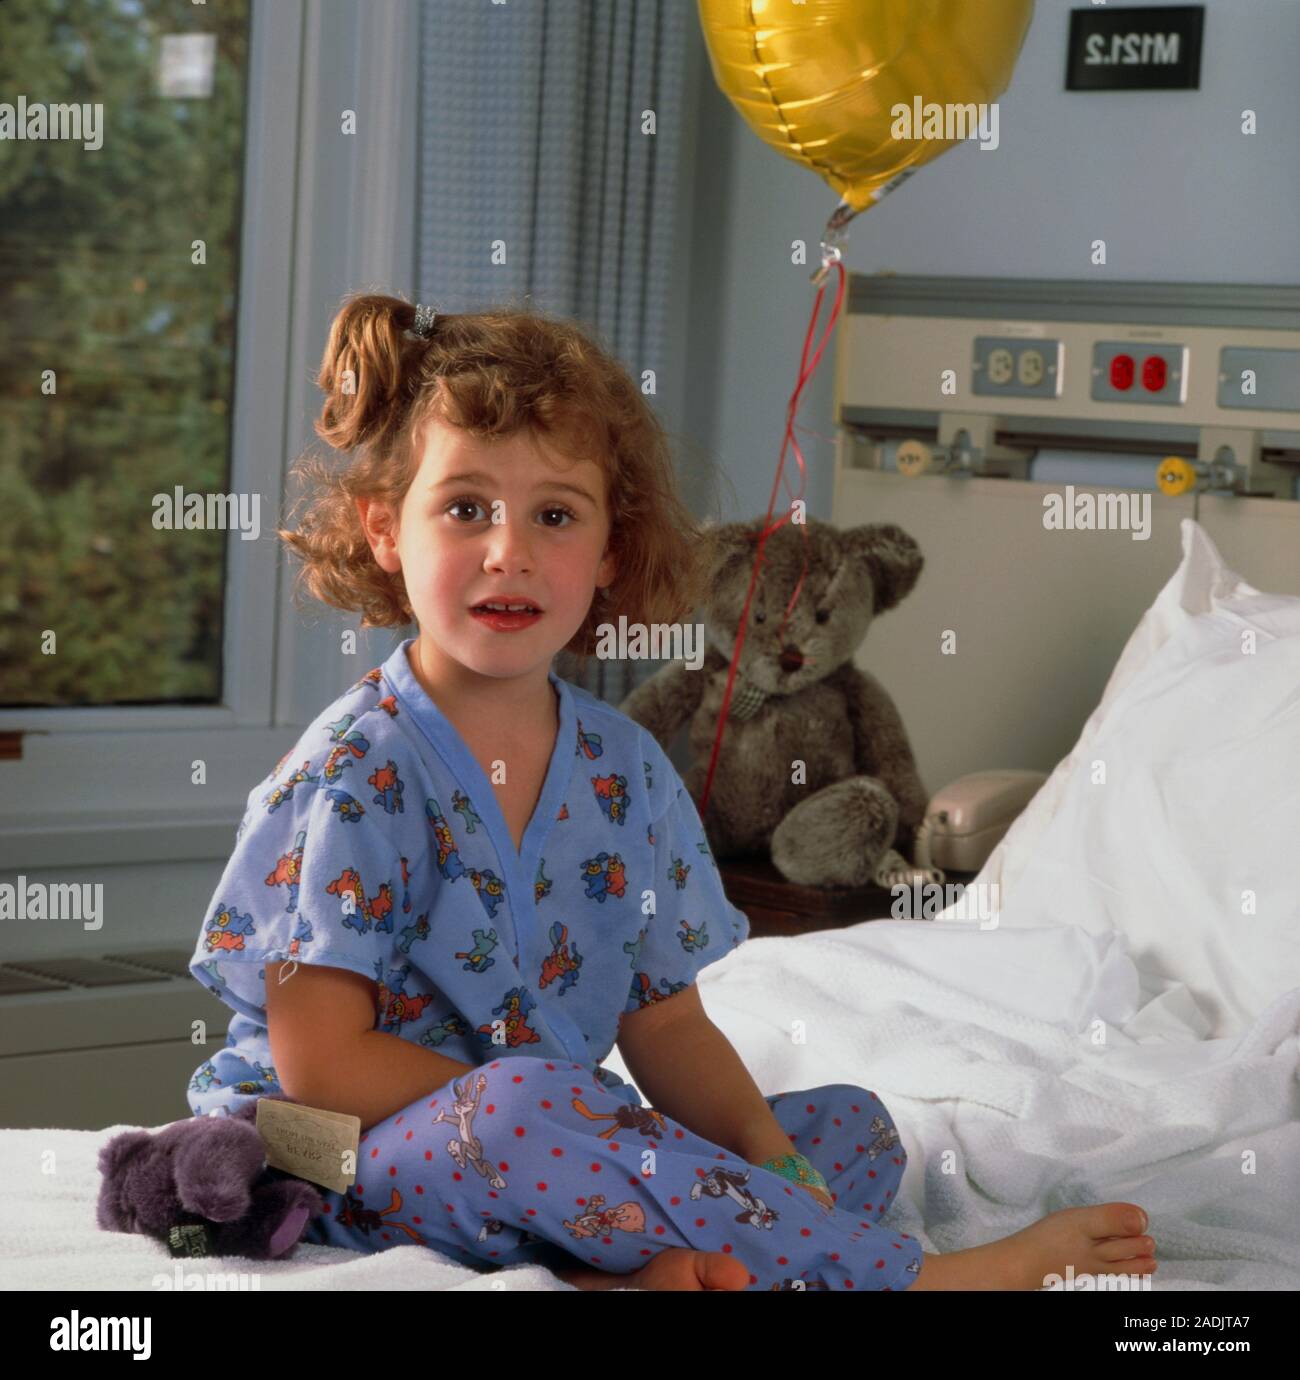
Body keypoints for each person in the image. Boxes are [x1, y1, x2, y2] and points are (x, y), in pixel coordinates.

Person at [184, 293, 1157, 1291]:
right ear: (387, 529)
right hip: (329, 1157)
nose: (509, 550)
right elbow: (322, 1070)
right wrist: (592, 1119)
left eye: (555, 515)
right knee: (525, 1112)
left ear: (609, 550)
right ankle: (922, 1283)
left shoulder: (627, 770)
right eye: (466, 508)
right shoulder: (354, 771)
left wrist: (765, 1159)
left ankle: (633, 1273)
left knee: (853, 1130)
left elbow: (667, 1025)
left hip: (543, 1143)